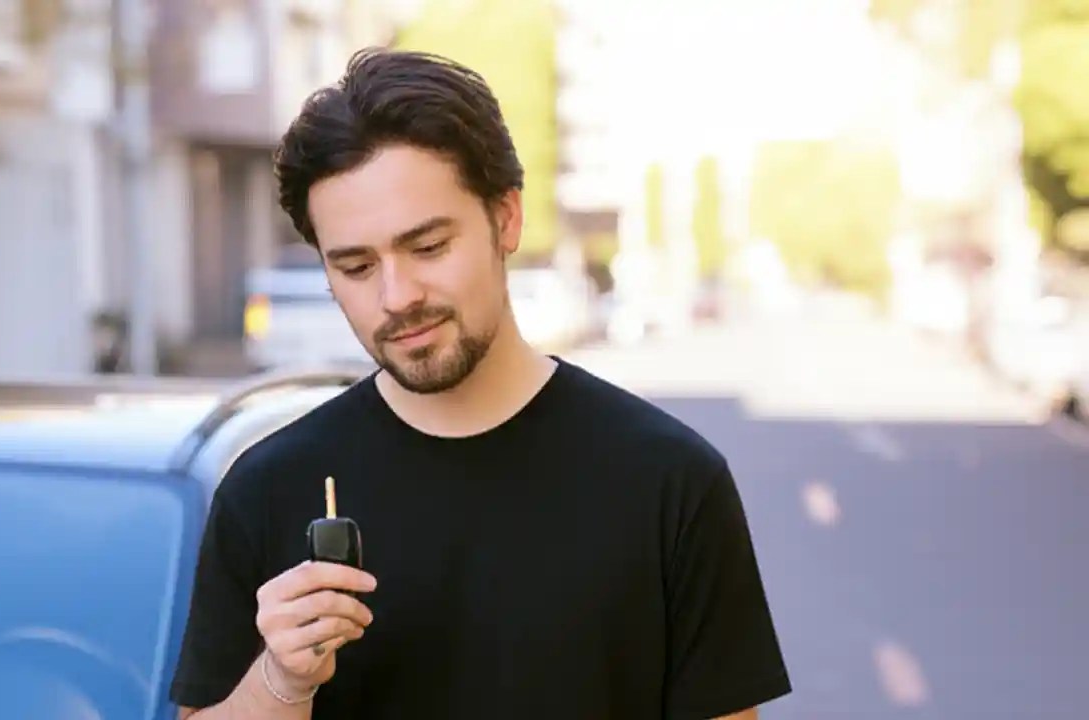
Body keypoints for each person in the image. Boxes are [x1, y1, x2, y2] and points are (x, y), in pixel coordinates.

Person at [170, 47, 792, 720]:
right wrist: (282, 681)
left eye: (428, 247)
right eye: (354, 266)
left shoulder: (669, 481)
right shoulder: (266, 489)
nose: (396, 295)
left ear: (506, 219)